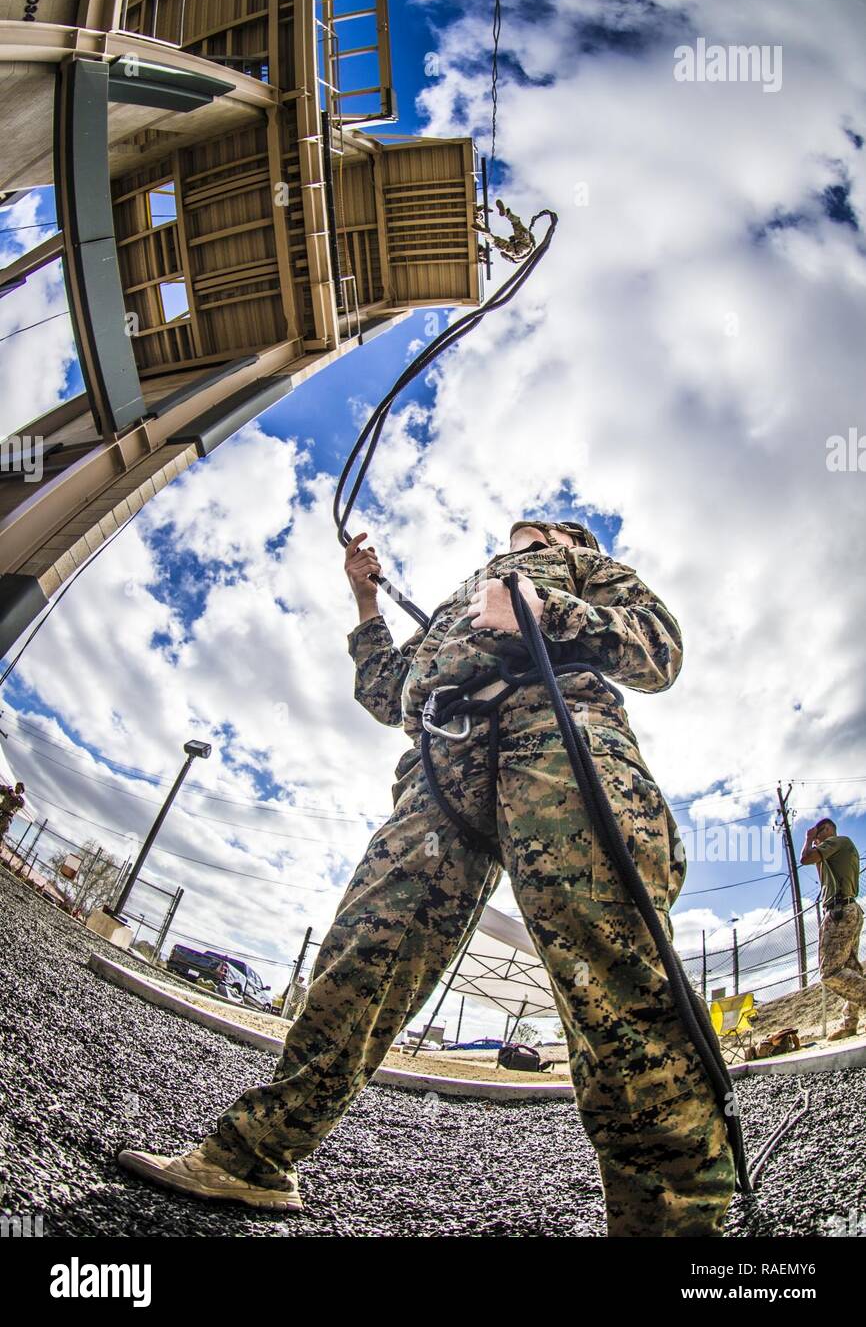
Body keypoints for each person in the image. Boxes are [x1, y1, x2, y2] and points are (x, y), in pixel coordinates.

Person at [119, 519, 735, 1235]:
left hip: (558, 725)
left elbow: (659, 647)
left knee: (607, 956)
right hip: (443, 758)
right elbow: (387, 693)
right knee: (366, 948)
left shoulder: (583, 569)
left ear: (571, 541)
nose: (523, 528)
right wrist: (366, 603)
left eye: (539, 526)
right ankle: (254, 1157)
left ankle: (674, 1226)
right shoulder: (465, 594)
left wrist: (547, 610)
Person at [800, 817, 865, 1040]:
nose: (817, 837)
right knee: (851, 968)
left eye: (820, 832)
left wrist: (808, 839)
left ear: (828, 829)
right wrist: (818, 852)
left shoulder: (838, 842)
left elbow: (805, 858)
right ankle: (850, 1023)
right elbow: (821, 874)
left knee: (829, 972)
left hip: (840, 911)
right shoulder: (835, 853)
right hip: (848, 909)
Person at [472, 198, 536, 263]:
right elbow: (503, 254)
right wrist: (500, 247)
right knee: (495, 241)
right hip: (516, 254)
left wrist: (525, 233)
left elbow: (529, 235)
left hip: (527, 245)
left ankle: (507, 214)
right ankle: (487, 234)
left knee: (517, 223)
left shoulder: (530, 245)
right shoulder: (516, 259)